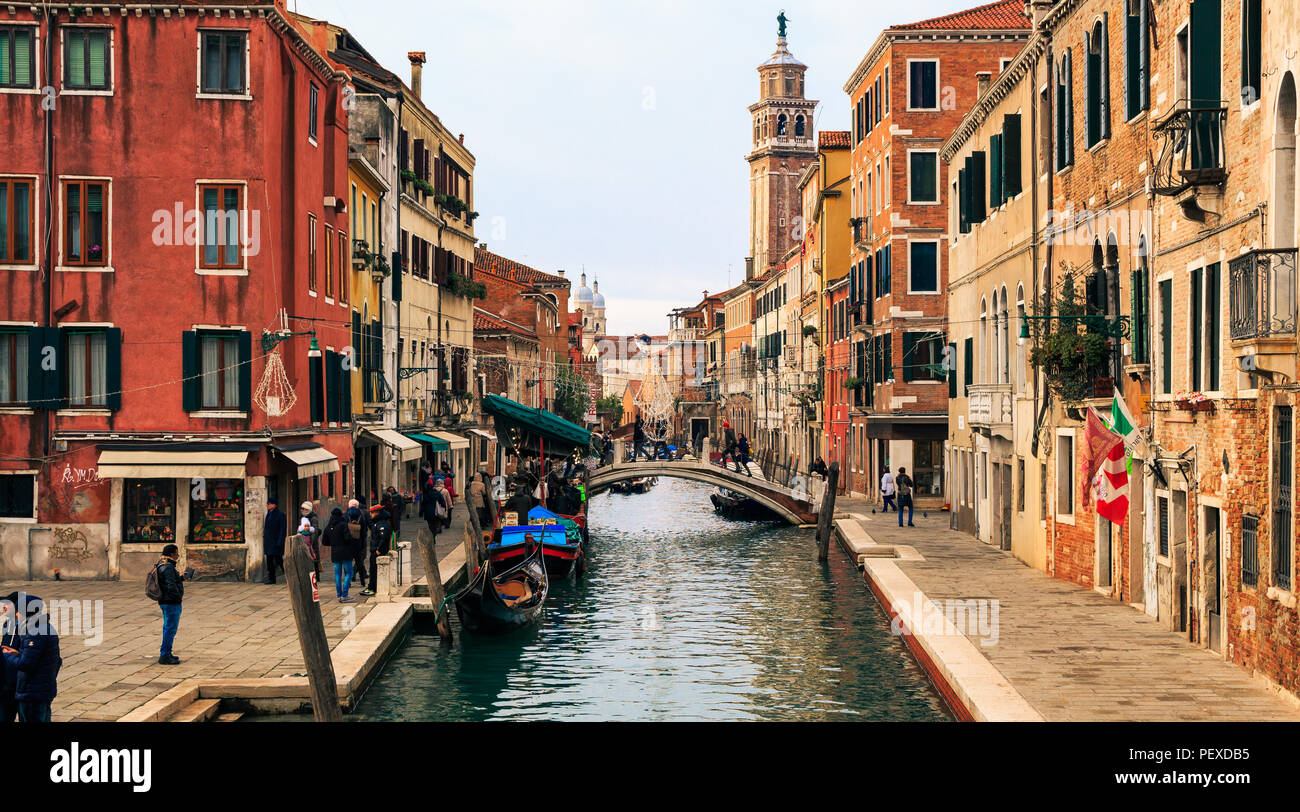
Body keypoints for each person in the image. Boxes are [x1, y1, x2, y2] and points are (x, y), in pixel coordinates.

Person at [3, 593, 61, 722]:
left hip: (33, 692)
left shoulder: (35, 632)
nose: (16, 614)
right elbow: (36, 657)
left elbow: (26, 664)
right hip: (39, 690)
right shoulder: (38, 628)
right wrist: (17, 654)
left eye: (18, 612)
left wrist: (7, 656)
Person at [153, 545, 188, 665]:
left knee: (168, 628)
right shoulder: (168, 567)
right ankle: (165, 655)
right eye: (177, 554)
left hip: (166, 601)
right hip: (171, 602)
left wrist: (181, 578)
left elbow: (169, 581)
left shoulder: (162, 564)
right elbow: (170, 585)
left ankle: (167, 653)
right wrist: (178, 597)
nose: (177, 556)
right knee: (170, 628)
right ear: (172, 554)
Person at [362, 504, 394, 597]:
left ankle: (373, 588)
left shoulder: (382, 523)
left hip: (377, 551)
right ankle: (371, 587)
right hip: (374, 549)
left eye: (372, 513)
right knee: (372, 570)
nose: (371, 515)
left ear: (376, 513)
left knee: (374, 570)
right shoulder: (378, 522)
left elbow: (383, 537)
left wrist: (379, 549)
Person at [323, 507, 355, 602]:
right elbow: (348, 538)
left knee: (337, 575)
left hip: (335, 553)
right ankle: (344, 595)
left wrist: (334, 543)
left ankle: (339, 595)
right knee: (349, 573)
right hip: (345, 553)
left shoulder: (328, 527)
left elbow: (324, 542)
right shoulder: (343, 525)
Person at [0, 599, 22, 722]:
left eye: (6, 605)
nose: (3, 608)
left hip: (21, 679)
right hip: (6, 680)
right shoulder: (7, 624)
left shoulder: (29, 629)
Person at [262, 497, 287, 584]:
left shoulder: (280, 515)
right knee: (269, 562)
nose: (267, 505)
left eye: (269, 504)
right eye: (267, 504)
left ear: (274, 505)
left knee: (279, 560)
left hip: (276, 542)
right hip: (269, 542)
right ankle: (271, 579)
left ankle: (289, 576)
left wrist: (280, 541)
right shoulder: (268, 514)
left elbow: (282, 530)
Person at [346, 499, 369, 586]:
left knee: (348, 561)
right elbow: (364, 531)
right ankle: (362, 581)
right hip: (358, 542)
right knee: (359, 561)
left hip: (348, 543)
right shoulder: (362, 515)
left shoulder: (345, 516)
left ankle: (349, 581)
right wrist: (363, 541)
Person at [300, 501, 321, 576]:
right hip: (305, 541)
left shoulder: (313, 518)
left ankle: (316, 577)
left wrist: (310, 542)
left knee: (314, 559)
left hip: (311, 543)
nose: (301, 510)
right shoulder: (303, 517)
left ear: (307, 509)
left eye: (303, 508)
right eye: (301, 508)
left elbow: (315, 532)